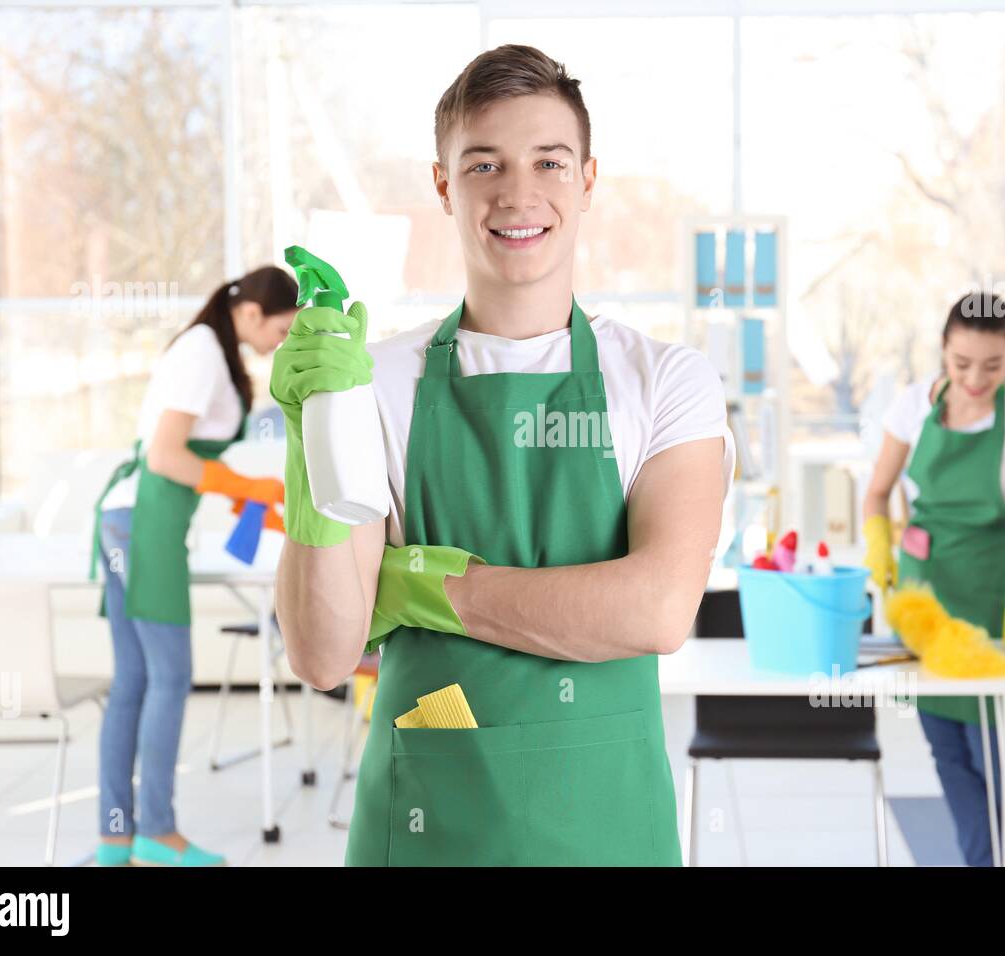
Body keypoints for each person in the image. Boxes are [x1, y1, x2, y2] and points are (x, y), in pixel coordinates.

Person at [270, 44, 735, 866]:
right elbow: (321, 652)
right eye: (485, 164)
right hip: (429, 825)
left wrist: (422, 586)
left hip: (608, 832)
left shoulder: (667, 381)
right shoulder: (372, 384)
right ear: (444, 184)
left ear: (588, 179)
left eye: (549, 162)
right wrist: (315, 448)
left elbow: (658, 608)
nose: (519, 194)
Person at [88, 267, 296, 866]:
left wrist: (247, 498)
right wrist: (245, 482)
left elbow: (189, 458)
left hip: (127, 519)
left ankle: (115, 838)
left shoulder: (209, 349)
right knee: (170, 678)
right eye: (280, 330)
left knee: (132, 683)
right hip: (146, 524)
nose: (280, 342)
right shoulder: (205, 351)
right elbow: (166, 455)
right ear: (252, 313)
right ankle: (157, 833)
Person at [862, 291, 1005, 866]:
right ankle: (981, 859)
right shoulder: (910, 406)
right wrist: (880, 549)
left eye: (993, 366)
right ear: (943, 352)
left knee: (994, 744)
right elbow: (877, 492)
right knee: (945, 745)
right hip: (924, 597)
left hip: (990, 589)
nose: (976, 379)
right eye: (961, 363)